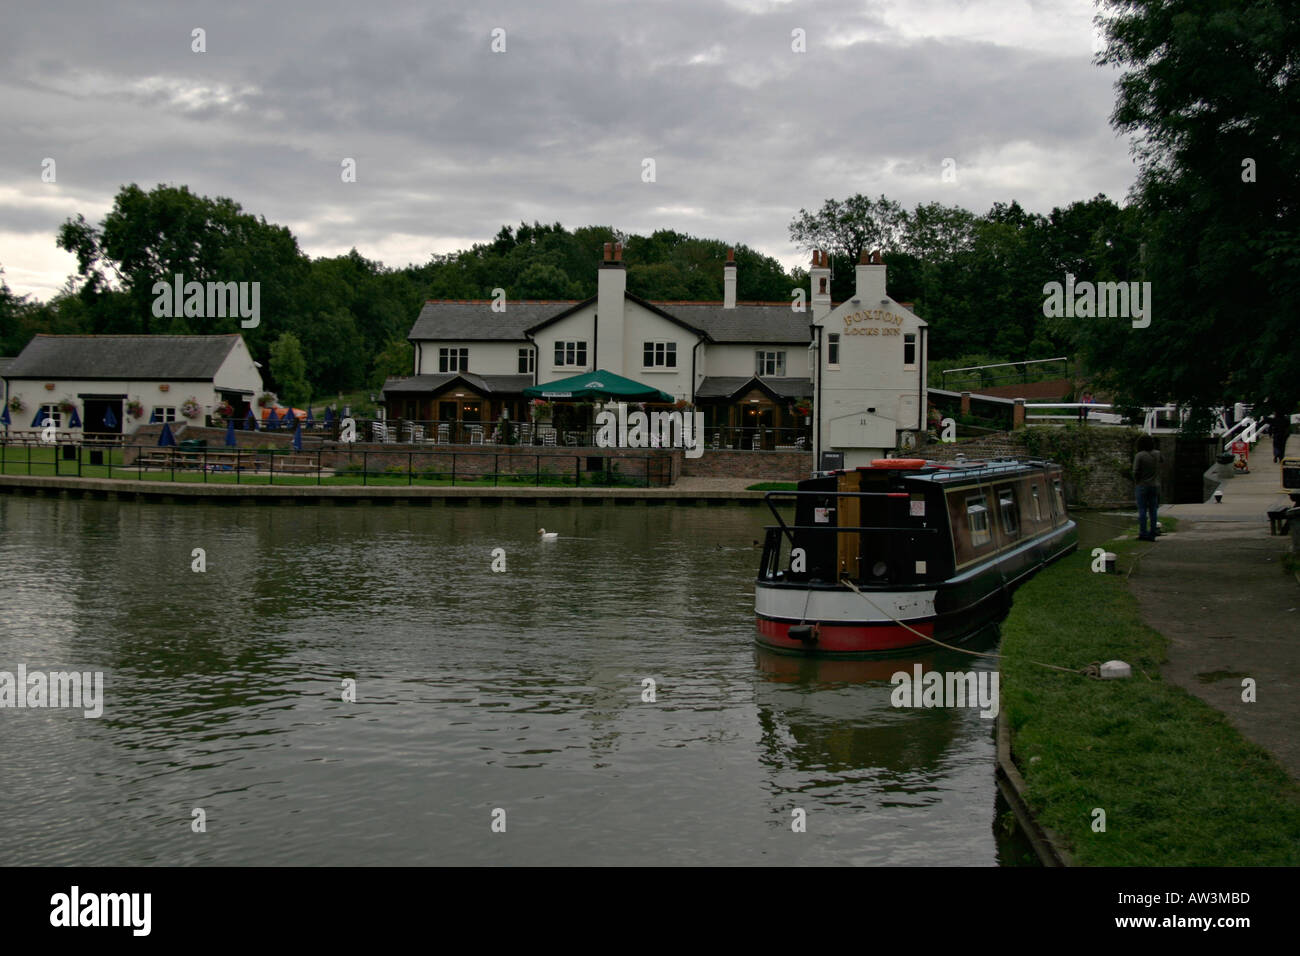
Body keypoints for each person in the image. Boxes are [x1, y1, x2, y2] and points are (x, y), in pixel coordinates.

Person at [1133, 434, 1162, 541]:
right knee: (1153, 510)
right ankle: (1153, 532)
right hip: (1155, 485)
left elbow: (1136, 471)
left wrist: (1137, 482)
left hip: (1142, 485)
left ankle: (1143, 533)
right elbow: (1162, 461)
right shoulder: (1157, 453)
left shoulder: (1139, 455)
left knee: (1142, 509)